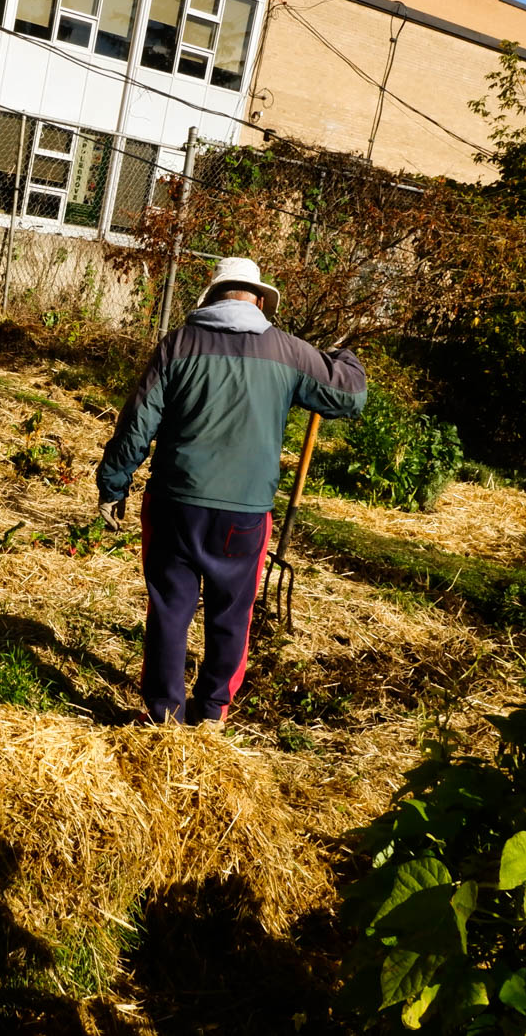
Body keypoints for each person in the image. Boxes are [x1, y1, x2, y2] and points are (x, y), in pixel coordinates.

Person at [95, 258, 368, 725]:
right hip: (244, 516)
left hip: (174, 504)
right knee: (232, 613)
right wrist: (345, 358)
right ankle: (213, 711)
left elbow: (138, 421)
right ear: (260, 300)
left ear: (214, 297)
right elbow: (349, 395)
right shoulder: (288, 352)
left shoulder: (178, 345)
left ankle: (164, 714)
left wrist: (113, 483)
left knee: (169, 608)